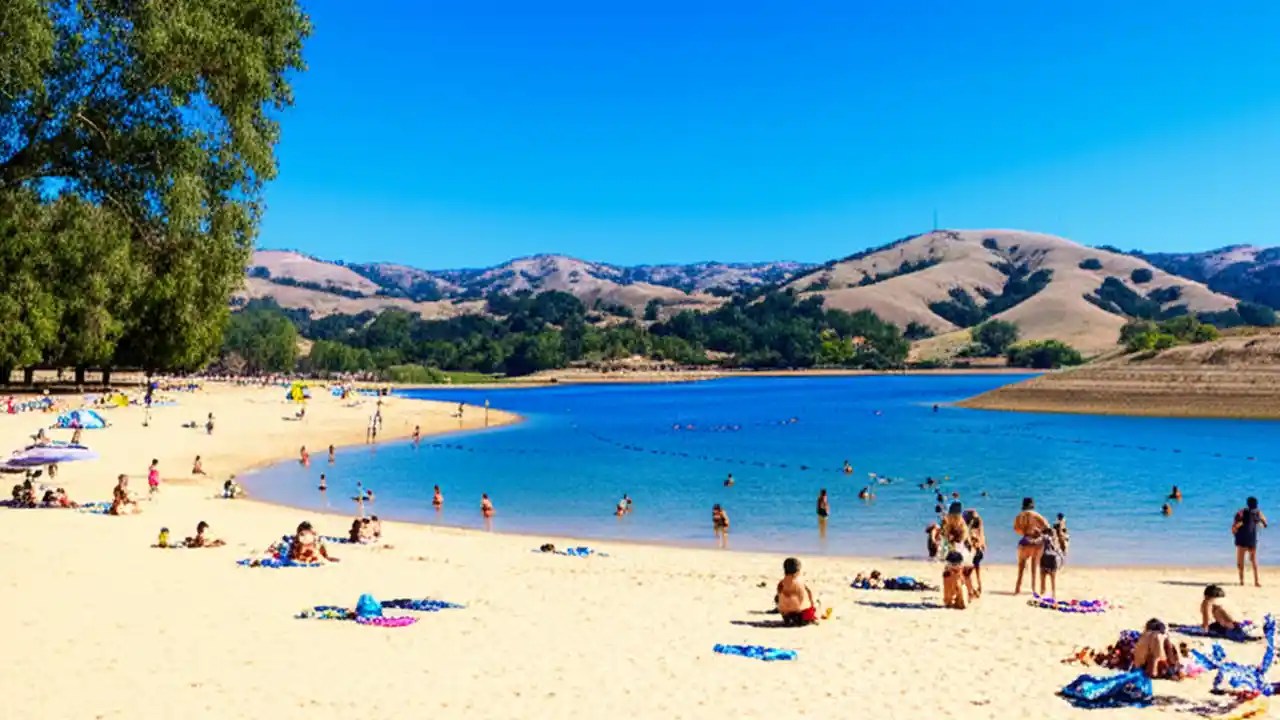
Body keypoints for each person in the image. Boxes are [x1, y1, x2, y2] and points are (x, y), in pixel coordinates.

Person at [1013, 497, 1049, 595]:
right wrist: (1039, 531)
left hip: (1024, 541)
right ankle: (1034, 589)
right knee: (1034, 565)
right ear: (1032, 504)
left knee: (1021, 567)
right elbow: (1046, 526)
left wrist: (1024, 532)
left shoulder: (1019, 516)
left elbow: (1016, 528)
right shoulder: (1036, 515)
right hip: (1035, 543)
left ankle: (1017, 588)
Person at [1233, 496, 1269, 587]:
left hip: (1241, 540)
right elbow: (1265, 524)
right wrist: (1261, 521)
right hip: (1251, 540)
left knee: (1240, 561)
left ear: (1247, 504)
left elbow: (1234, 527)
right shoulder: (1257, 513)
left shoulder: (1241, 512)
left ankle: (1242, 581)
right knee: (1253, 561)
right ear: (1256, 504)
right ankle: (1256, 582)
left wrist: (1235, 532)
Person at [776, 557, 822, 626]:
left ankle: (787, 619)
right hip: (801, 617)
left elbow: (779, 596)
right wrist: (812, 603)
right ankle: (813, 618)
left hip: (787, 616)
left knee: (779, 598)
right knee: (816, 603)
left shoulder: (781, 583)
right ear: (798, 572)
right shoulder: (801, 582)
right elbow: (809, 594)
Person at [966, 510, 987, 595]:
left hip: (973, 552)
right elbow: (982, 542)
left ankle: (972, 590)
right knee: (977, 570)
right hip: (979, 551)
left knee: (968, 572)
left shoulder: (970, 530)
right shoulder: (979, 530)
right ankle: (979, 587)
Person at [1040, 529, 1064, 597]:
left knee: (1043, 578)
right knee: (1052, 579)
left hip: (1044, 559)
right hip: (1053, 560)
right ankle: (1053, 594)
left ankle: (1042, 592)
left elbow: (1036, 541)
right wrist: (1061, 564)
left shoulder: (1043, 538)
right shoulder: (1055, 541)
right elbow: (1059, 553)